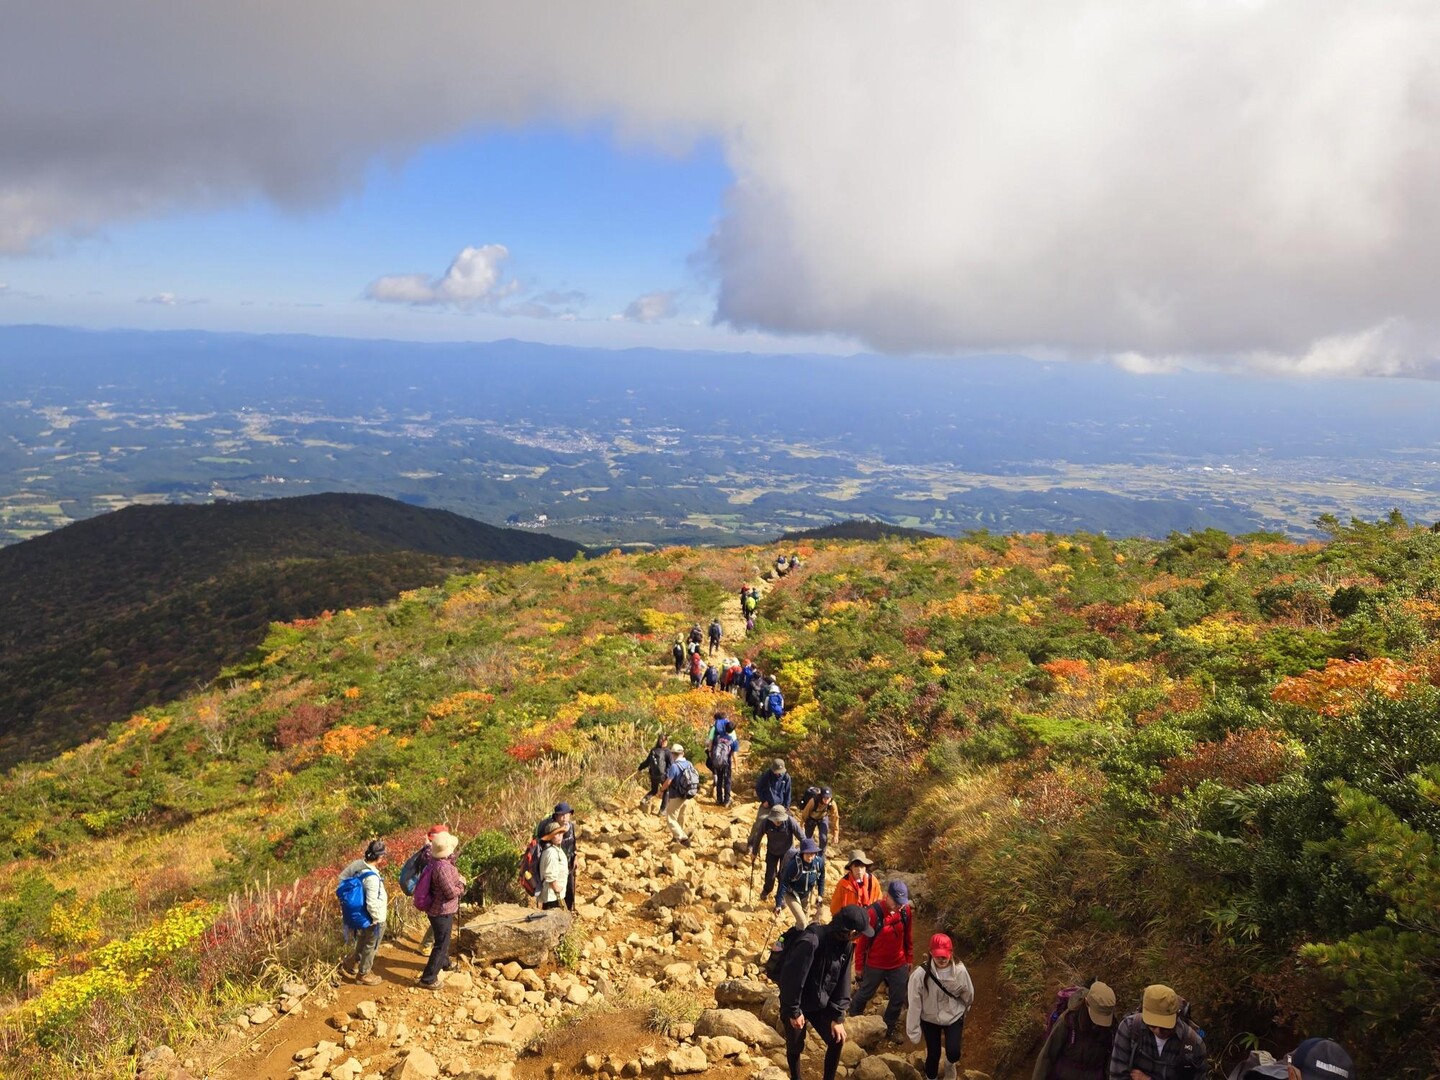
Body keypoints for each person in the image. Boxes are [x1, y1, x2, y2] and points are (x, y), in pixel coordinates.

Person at [779, 904, 874, 1080]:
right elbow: (791, 978)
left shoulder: (846, 945)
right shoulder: (811, 941)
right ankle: (796, 1077)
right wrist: (793, 1011)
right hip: (796, 1001)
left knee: (837, 1039)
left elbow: (843, 982)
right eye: (860, 933)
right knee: (795, 1045)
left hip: (819, 1002)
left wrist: (837, 1017)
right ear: (851, 931)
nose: (861, 937)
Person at [849, 880, 914, 1041]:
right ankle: (853, 1018)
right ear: (887, 897)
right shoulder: (873, 913)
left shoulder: (905, 912)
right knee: (865, 993)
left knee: (898, 997)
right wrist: (859, 967)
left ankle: (889, 1028)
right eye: (896, 902)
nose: (899, 906)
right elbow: (862, 943)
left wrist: (909, 957)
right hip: (875, 964)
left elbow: (908, 936)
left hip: (898, 962)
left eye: (902, 903)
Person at [907, 933, 976, 1080]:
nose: (942, 959)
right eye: (938, 955)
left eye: (945, 955)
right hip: (930, 1018)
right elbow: (914, 1003)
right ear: (931, 952)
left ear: (951, 953)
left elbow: (968, 993)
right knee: (933, 1054)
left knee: (953, 1052)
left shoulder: (960, 971)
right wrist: (913, 1030)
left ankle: (950, 1065)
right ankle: (931, 1078)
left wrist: (965, 1009)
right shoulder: (920, 975)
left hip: (953, 1016)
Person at [1107, 984, 1207, 1080]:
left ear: (1176, 1016)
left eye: (1165, 1026)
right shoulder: (1129, 1028)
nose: (1158, 1031)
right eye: (1152, 1025)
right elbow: (1117, 1075)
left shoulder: (1195, 1045)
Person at [1032, 981, 1116, 1080]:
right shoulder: (1068, 1021)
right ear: (1086, 1003)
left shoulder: (1111, 1030)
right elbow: (1047, 1055)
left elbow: (1110, 1066)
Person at [417, 831, 464, 989]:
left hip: (436, 910)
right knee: (441, 944)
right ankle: (428, 978)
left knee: (442, 939)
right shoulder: (442, 868)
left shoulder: (434, 861)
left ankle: (445, 963)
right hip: (442, 911)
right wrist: (461, 885)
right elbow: (450, 892)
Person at [339, 839, 388, 986]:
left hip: (361, 914)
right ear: (380, 857)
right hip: (373, 917)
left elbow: (341, 878)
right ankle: (363, 974)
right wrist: (378, 919)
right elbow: (372, 903)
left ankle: (352, 962)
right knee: (371, 945)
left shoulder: (356, 865)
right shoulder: (372, 878)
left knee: (363, 938)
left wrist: (354, 893)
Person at [398, 823, 449, 952]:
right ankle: (427, 946)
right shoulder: (430, 852)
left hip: (431, 892)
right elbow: (435, 865)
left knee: (437, 920)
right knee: (439, 919)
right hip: (434, 893)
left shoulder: (428, 850)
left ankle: (427, 944)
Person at [749, 803, 803, 902]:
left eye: (779, 820)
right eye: (775, 819)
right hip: (772, 851)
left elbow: (802, 837)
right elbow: (758, 837)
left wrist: (806, 852)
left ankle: (780, 897)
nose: (777, 821)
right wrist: (754, 852)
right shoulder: (766, 822)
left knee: (784, 875)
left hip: (787, 853)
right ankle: (766, 890)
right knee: (770, 875)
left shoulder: (790, 822)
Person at [533, 801, 578, 911]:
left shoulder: (571, 827)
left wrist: (575, 857)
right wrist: (554, 885)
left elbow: (573, 843)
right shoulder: (549, 828)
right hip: (554, 868)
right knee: (552, 900)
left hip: (567, 865)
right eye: (561, 815)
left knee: (568, 892)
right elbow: (549, 871)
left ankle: (569, 912)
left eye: (566, 814)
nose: (564, 817)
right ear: (556, 816)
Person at [776, 838, 827, 928]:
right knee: (803, 923)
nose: (810, 857)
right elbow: (783, 884)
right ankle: (784, 940)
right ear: (802, 853)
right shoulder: (794, 865)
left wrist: (820, 894)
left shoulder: (819, 863)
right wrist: (778, 904)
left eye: (812, 853)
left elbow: (821, 878)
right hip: (791, 894)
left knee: (805, 926)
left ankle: (791, 940)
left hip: (806, 895)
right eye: (807, 853)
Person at [660, 743, 700, 845]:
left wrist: (661, 790)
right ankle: (676, 837)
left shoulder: (674, 766)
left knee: (671, 817)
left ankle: (683, 839)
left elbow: (668, 781)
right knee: (681, 816)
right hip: (687, 795)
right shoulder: (689, 763)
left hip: (676, 796)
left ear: (673, 754)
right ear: (682, 753)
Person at [831, 850, 882, 915]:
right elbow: (835, 908)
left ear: (865, 867)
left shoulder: (873, 881)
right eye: (856, 866)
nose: (859, 869)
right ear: (851, 868)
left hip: (870, 919)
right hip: (850, 921)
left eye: (862, 866)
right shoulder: (843, 884)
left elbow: (879, 902)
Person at [537, 818, 569, 910]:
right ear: (551, 837)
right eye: (556, 834)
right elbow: (549, 874)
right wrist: (556, 889)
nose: (559, 836)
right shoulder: (551, 852)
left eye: (561, 833)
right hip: (553, 896)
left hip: (555, 895)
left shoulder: (555, 848)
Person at [638, 733, 673, 815]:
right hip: (663, 776)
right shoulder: (667, 751)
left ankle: (645, 799)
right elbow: (671, 765)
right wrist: (668, 775)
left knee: (654, 790)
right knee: (667, 791)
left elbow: (647, 762)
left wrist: (639, 768)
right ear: (664, 742)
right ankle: (662, 810)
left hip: (653, 775)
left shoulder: (653, 750)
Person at [708, 717, 740, 806]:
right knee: (727, 781)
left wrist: (710, 753)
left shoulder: (717, 737)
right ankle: (726, 800)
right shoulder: (733, 741)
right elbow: (734, 755)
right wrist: (736, 767)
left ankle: (719, 799)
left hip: (718, 761)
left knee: (719, 780)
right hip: (727, 762)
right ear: (732, 730)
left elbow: (711, 746)